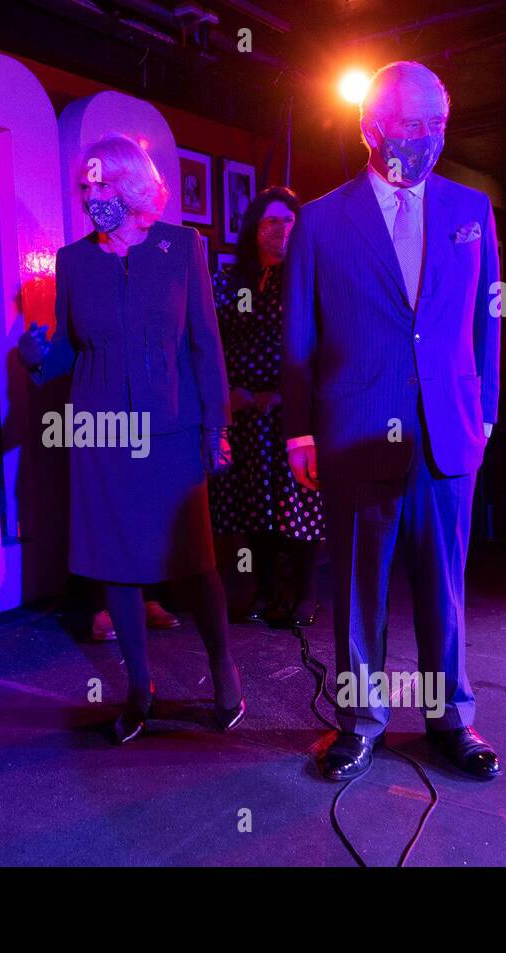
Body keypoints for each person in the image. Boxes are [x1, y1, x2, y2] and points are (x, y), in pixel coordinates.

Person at [281, 61, 502, 782]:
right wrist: (301, 430)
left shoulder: (472, 210)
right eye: (413, 125)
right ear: (371, 128)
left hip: (447, 431)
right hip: (354, 432)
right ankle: (360, 722)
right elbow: (298, 339)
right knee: (357, 590)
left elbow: (487, 319)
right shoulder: (319, 221)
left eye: (439, 124)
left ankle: (451, 719)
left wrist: (485, 414)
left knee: (445, 589)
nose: (429, 138)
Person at [19, 133, 244, 743]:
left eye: (103, 185)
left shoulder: (181, 246)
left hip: (172, 430)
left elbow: (205, 344)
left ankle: (224, 669)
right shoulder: (73, 261)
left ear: (132, 186)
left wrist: (216, 426)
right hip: (101, 435)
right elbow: (68, 350)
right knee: (115, 564)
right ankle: (139, 689)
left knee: (194, 560)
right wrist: (39, 357)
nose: (92, 197)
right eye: (86, 188)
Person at [209, 186, 325, 628]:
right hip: (243, 409)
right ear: (255, 228)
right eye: (271, 221)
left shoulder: (306, 279)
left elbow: (319, 343)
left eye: (289, 221)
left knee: (299, 500)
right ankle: (263, 589)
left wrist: (284, 393)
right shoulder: (229, 282)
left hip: (291, 406)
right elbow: (213, 341)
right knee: (253, 501)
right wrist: (230, 392)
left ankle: (305, 594)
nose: (281, 229)